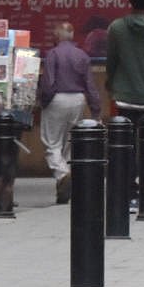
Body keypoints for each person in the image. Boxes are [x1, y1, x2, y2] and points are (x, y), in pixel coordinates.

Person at [39, 21, 101, 204]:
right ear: (72, 35)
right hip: (78, 100)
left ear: (56, 36)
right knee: (68, 143)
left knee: (52, 143)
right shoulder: (81, 55)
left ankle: (63, 174)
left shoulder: (53, 54)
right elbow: (90, 85)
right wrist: (96, 111)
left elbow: (49, 83)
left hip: (57, 99)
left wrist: (43, 102)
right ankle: (63, 188)